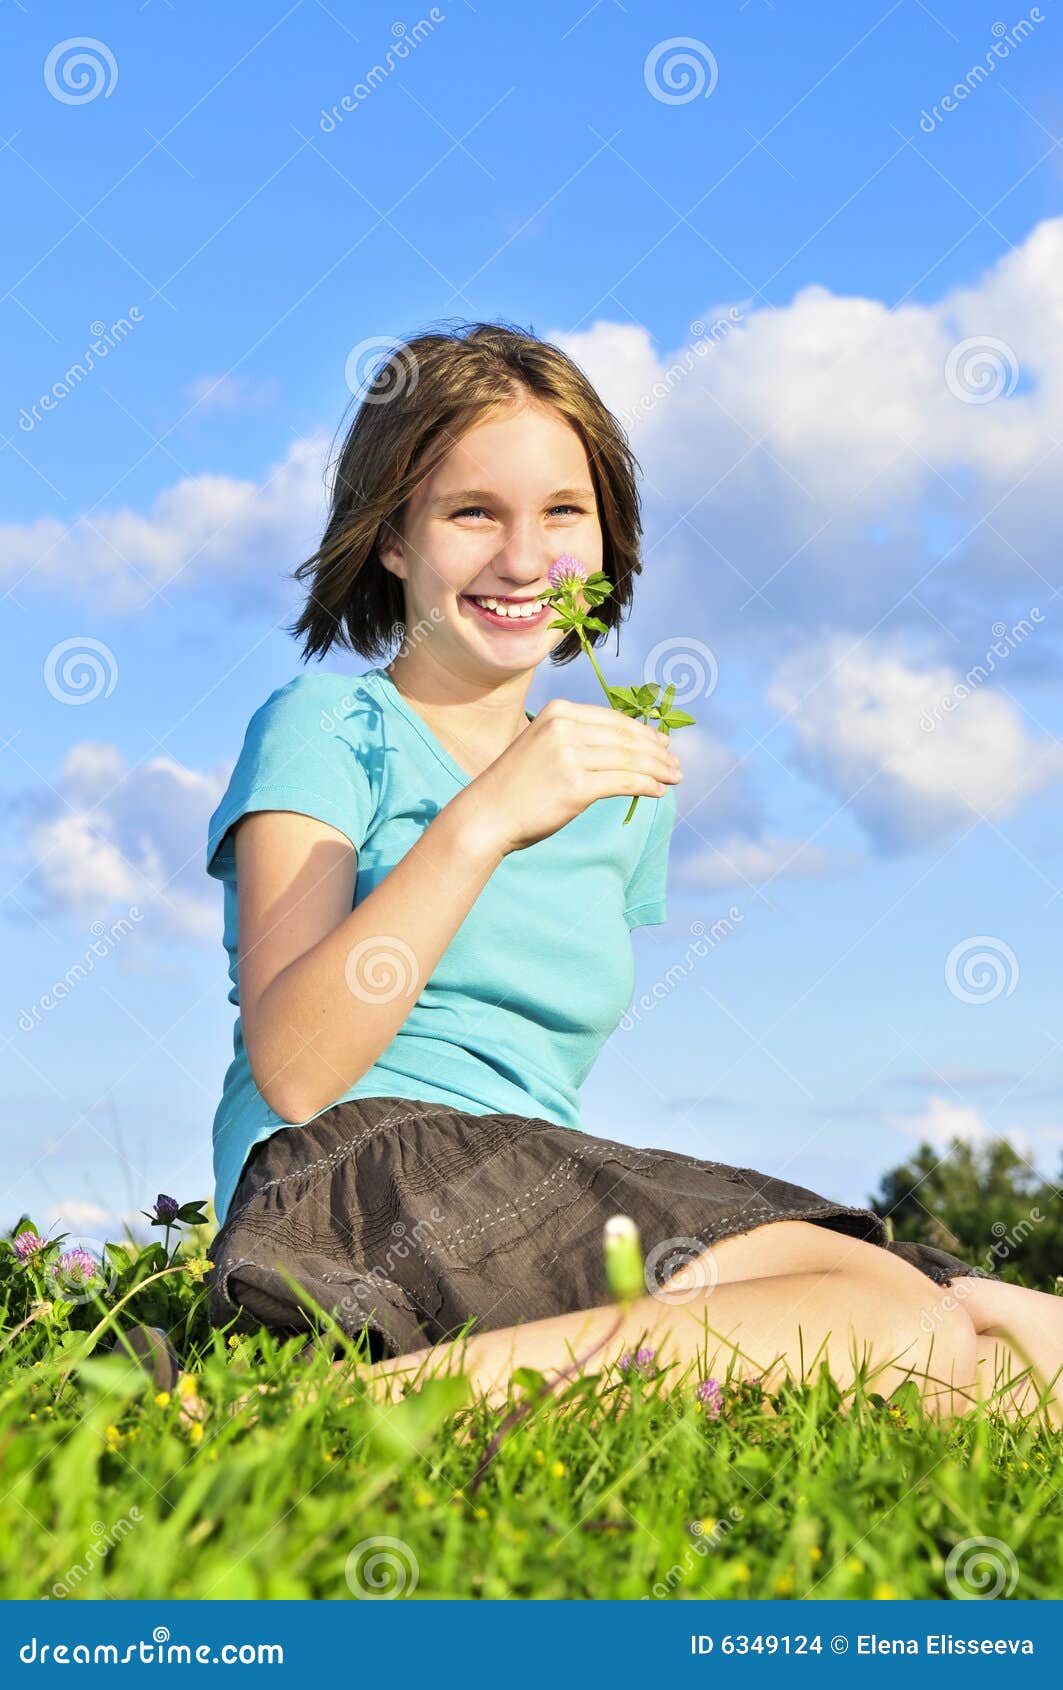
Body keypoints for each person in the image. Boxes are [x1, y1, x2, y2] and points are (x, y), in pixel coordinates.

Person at [204, 320, 1062, 1427]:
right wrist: (481, 821)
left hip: (529, 1182)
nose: (525, 559)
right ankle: (312, 1423)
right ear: (393, 541)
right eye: (473, 513)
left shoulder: (620, 782)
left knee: (1028, 1350)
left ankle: (484, 1387)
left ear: (608, 537)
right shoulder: (330, 724)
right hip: (355, 1176)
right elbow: (295, 1067)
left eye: (564, 512)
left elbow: (528, 1101)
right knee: (891, 1320)